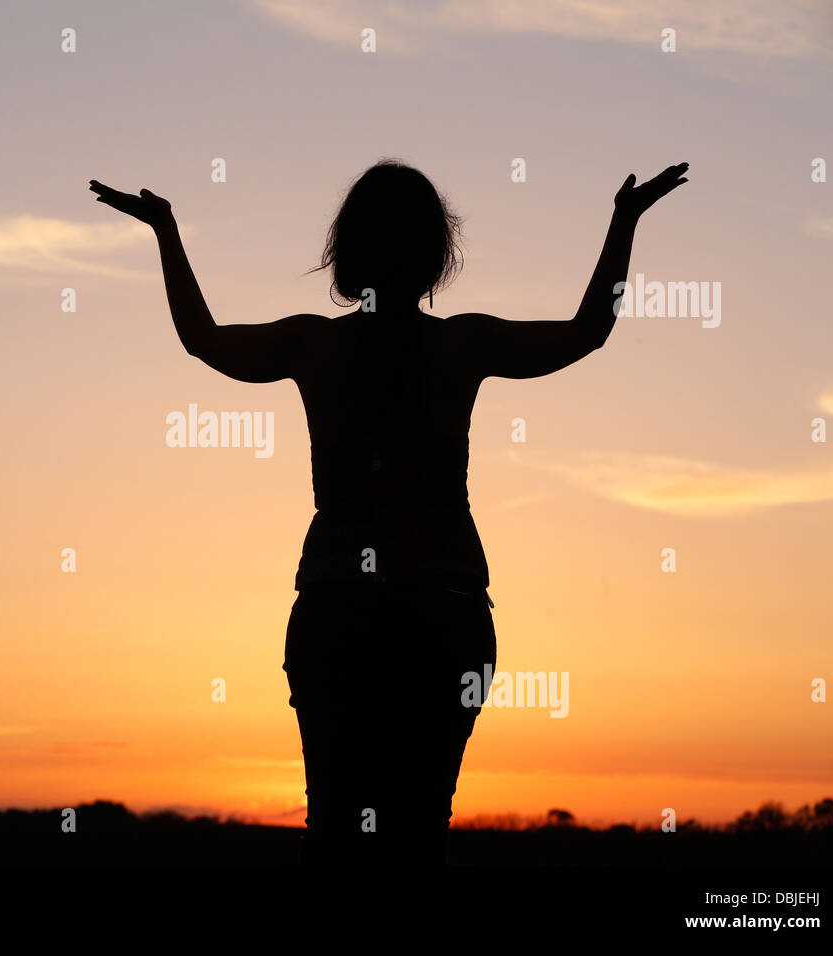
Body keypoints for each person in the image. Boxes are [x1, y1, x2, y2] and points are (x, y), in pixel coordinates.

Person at [89, 159, 689, 866]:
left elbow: (203, 339)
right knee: (419, 830)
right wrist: (625, 221)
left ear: (345, 251)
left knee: (338, 831)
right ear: (436, 253)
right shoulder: (461, 342)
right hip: (441, 611)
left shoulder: (316, 342)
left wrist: (166, 231)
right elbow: (588, 330)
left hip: (343, 613)